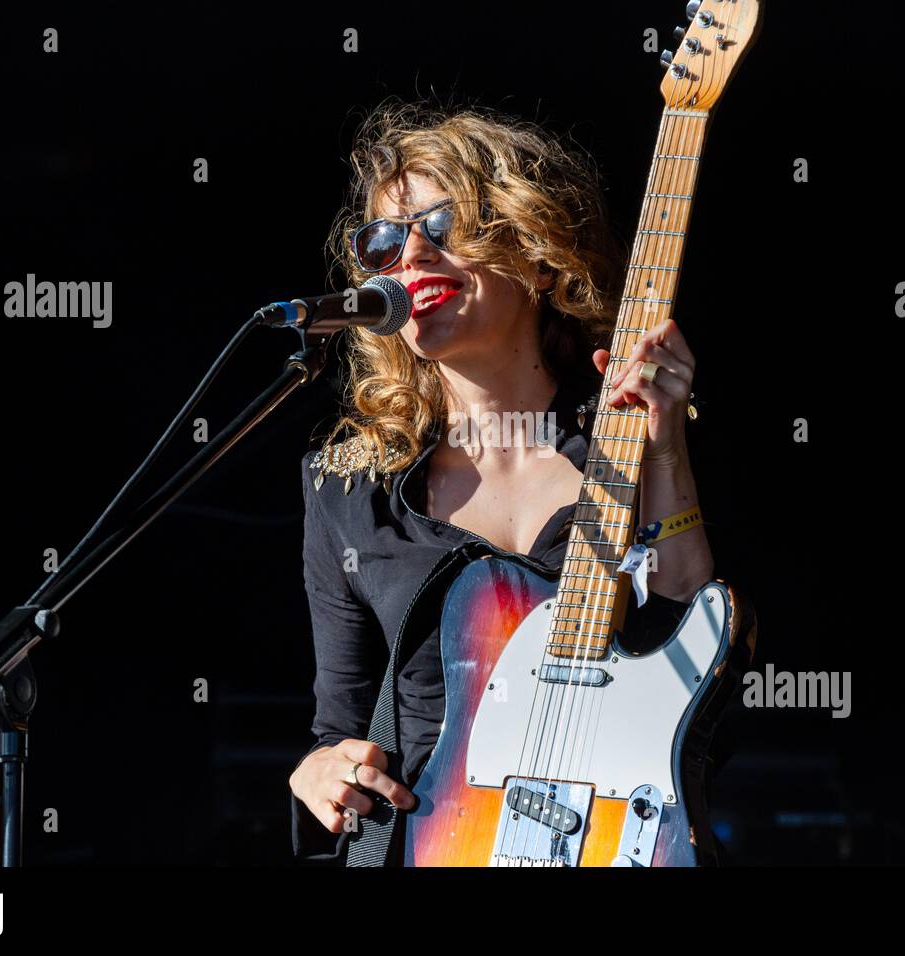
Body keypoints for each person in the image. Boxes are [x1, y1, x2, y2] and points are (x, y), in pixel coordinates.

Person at [288, 99, 716, 863]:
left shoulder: (635, 432)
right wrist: (321, 770)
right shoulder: (350, 490)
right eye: (383, 242)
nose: (410, 257)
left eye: (444, 226)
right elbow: (338, 730)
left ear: (538, 252)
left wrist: (667, 449)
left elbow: (699, 648)